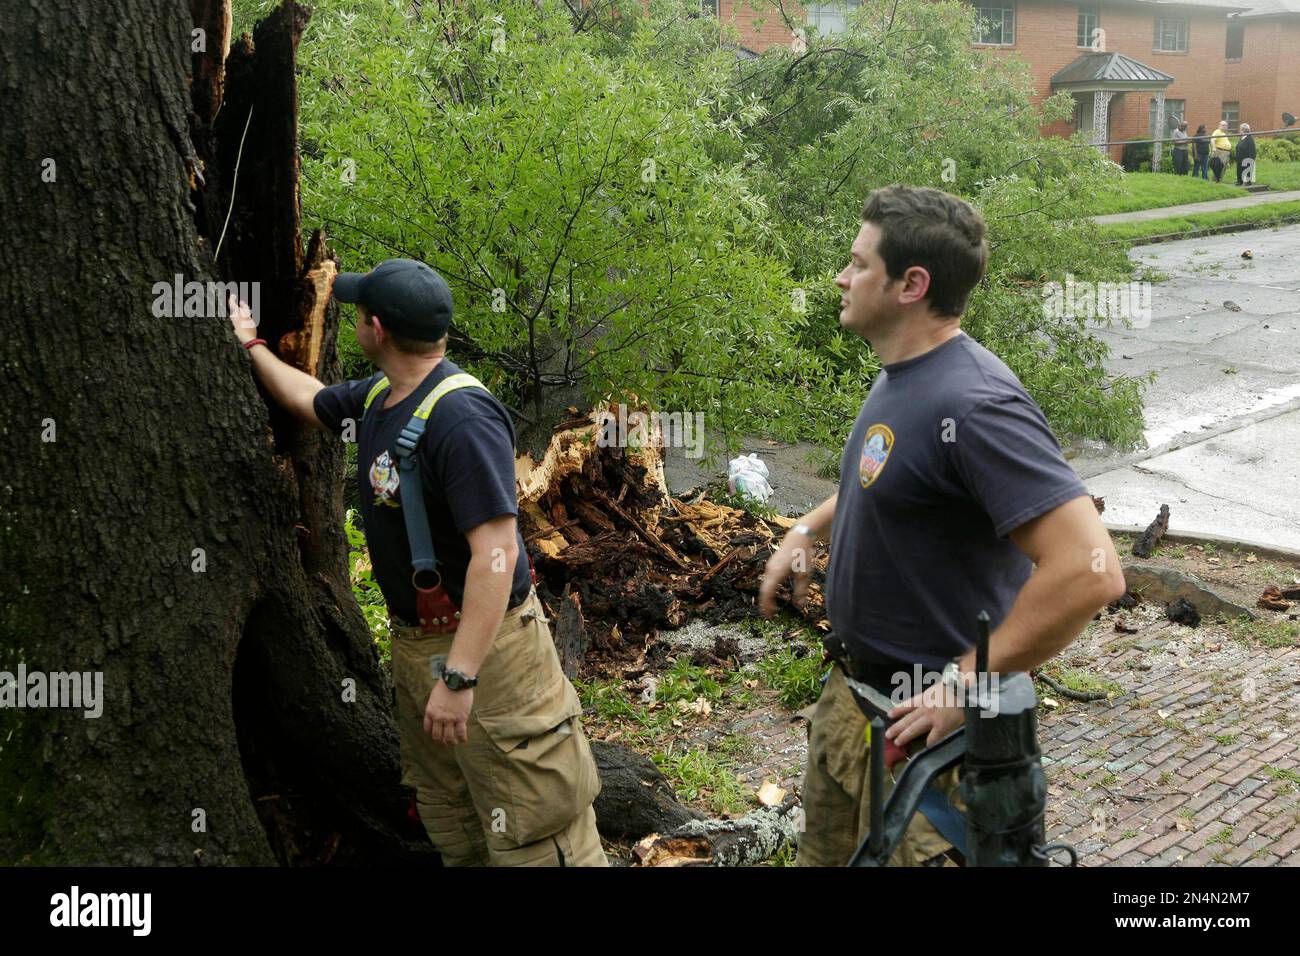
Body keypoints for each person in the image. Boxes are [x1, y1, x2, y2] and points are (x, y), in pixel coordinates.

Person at [758, 186, 1126, 867]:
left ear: (912, 284)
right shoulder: (905, 375)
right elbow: (896, 478)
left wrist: (962, 687)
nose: (841, 277)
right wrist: (811, 525)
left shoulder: (976, 402)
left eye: (858, 263)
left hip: (929, 743)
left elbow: (1089, 569)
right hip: (855, 708)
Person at [227, 259, 606, 867]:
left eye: (356, 314)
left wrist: (459, 677)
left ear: (376, 328)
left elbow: (496, 554)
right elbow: (311, 399)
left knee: (537, 828)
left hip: (491, 653)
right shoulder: (381, 396)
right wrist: (250, 345)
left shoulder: (461, 417)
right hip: (419, 645)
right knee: (454, 819)